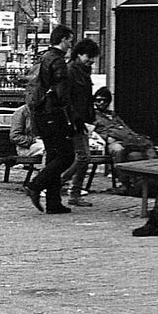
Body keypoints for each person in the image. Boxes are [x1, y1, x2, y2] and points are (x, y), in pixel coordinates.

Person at [23, 25, 75, 214]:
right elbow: (62, 93)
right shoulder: (58, 61)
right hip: (53, 113)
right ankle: (35, 185)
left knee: (54, 155)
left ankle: (54, 202)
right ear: (62, 40)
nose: (71, 44)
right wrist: (68, 112)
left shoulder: (43, 57)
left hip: (39, 113)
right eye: (69, 40)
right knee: (66, 155)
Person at [60, 38, 100, 207]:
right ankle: (59, 183)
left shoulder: (83, 71)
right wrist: (74, 118)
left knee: (82, 157)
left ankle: (68, 189)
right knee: (83, 157)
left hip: (81, 120)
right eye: (88, 56)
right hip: (74, 120)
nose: (91, 60)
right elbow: (67, 98)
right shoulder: (71, 71)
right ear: (79, 54)